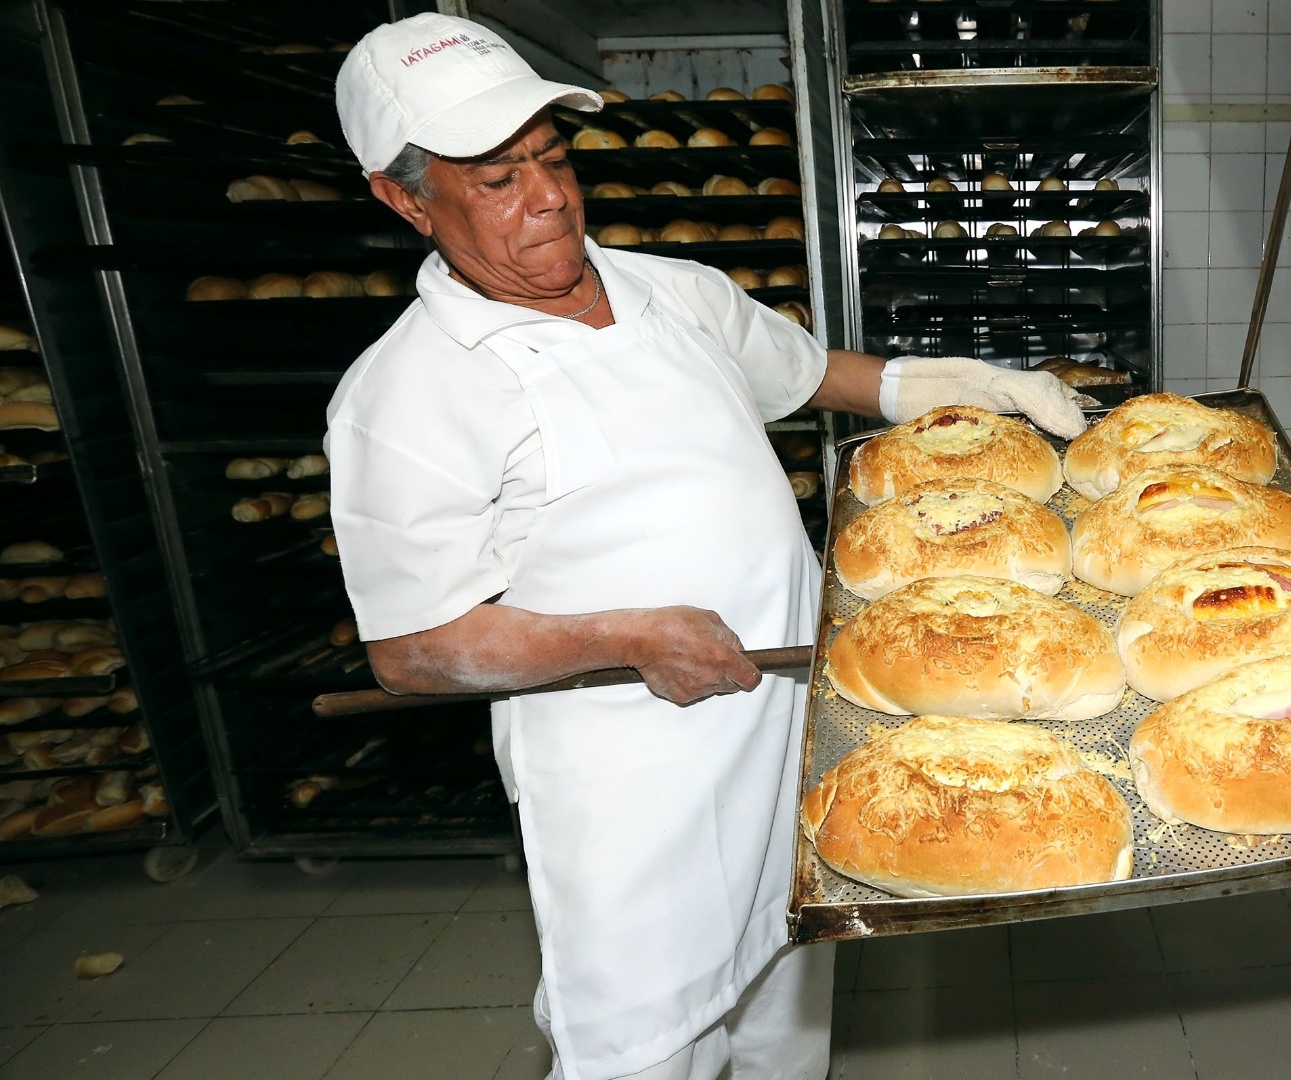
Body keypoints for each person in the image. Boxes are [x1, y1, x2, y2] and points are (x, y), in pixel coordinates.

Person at [325, 13, 1085, 1080]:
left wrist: (969, 384)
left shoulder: (666, 290)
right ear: (403, 198)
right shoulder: (407, 395)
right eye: (496, 181)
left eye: (552, 159)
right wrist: (628, 634)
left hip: (784, 717)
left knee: (786, 1009)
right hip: (631, 775)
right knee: (643, 1042)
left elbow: (813, 373)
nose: (547, 197)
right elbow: (414, 648)